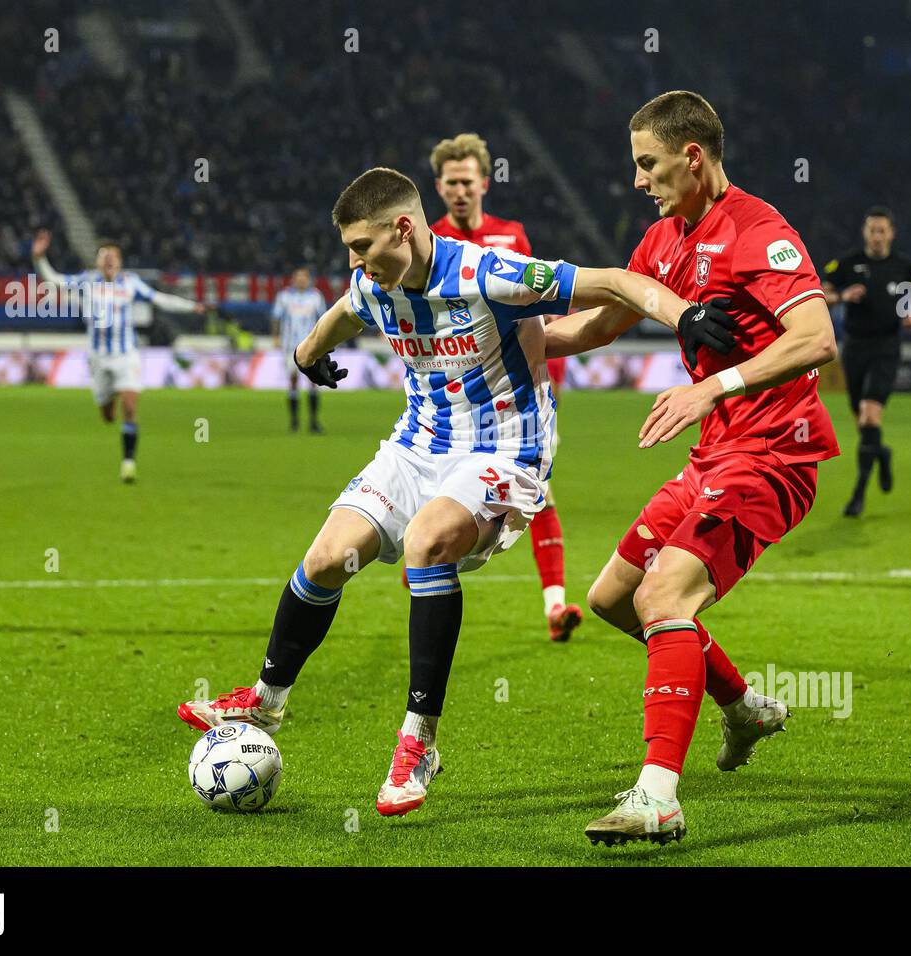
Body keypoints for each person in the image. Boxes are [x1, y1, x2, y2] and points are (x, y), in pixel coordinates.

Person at [177, 167, 728, 818]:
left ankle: (419, 742)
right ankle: (267, 702)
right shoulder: (374, 284)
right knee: (326, 558)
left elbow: (612, 282)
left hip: (505, 449)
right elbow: (345, 310)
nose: (354, 262)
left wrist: (683, 314)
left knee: (427, 541)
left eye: (361, 246)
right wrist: (306, 354)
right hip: (416, 446)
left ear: (402, 229)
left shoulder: (490, 274)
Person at [544, 90, 840, 846]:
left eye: (648, 164)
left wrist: (714, 385)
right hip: (716, 453)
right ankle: (742, 708)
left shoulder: (758, 231)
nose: (639, 180)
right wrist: (517, 339)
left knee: (665, 595)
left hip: (774, 453)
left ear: (692, 155)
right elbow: (600, 325)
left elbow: (815, 338)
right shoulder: (662, 241)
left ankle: (658, 797)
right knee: (613, 597)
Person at [428, 131, 581, 641]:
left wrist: (544, 375)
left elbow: (533, 309)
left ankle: (555, 607)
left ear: (484, 183)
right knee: (441, 496)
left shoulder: (511, 236)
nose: (459, 190)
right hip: (455, 400)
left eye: (467, 181)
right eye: (451, 182)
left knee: (537, 496)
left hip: (512, 397)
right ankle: (429, 581)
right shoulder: (429, 242)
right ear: (439, 186)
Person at [31, 230, 206, 482]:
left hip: (127, 356)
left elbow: (160, 299)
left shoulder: (131, 283)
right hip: (99, 358)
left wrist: (191, 306)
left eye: (114, 256)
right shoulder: (86, 282)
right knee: (107, 416)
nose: (109, 260)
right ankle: (110, 394)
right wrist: (39, 259)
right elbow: (54, 280)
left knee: (131, 407)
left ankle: (128, 463)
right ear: (98, 262)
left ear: (120, 262)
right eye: (105, 256)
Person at [821, 206, 911, 517]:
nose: (877, 236)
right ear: (865, 233)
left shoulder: (905, 266)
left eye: (882, 231)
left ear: (891, 233)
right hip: (854, 347)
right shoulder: (848, 264)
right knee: (863, 424)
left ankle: (858, 495)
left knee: (868, 415)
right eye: (872, 231)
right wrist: (841, 297)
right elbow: (820, 292)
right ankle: (881, 453)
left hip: (887, 347)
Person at [271, 268, 328, 432]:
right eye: (298, 277)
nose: (301, 280)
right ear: (293, 279)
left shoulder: (316, 296)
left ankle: (313, 422)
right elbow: (276, 317)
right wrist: (275, 337)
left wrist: (324, 341)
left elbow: (323, 319)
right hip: (291, 346)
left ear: (309, 279)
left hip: (311, 346)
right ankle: (294, 422)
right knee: (293, 380)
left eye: (304, 277)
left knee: (313, 381)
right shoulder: (284, 296)